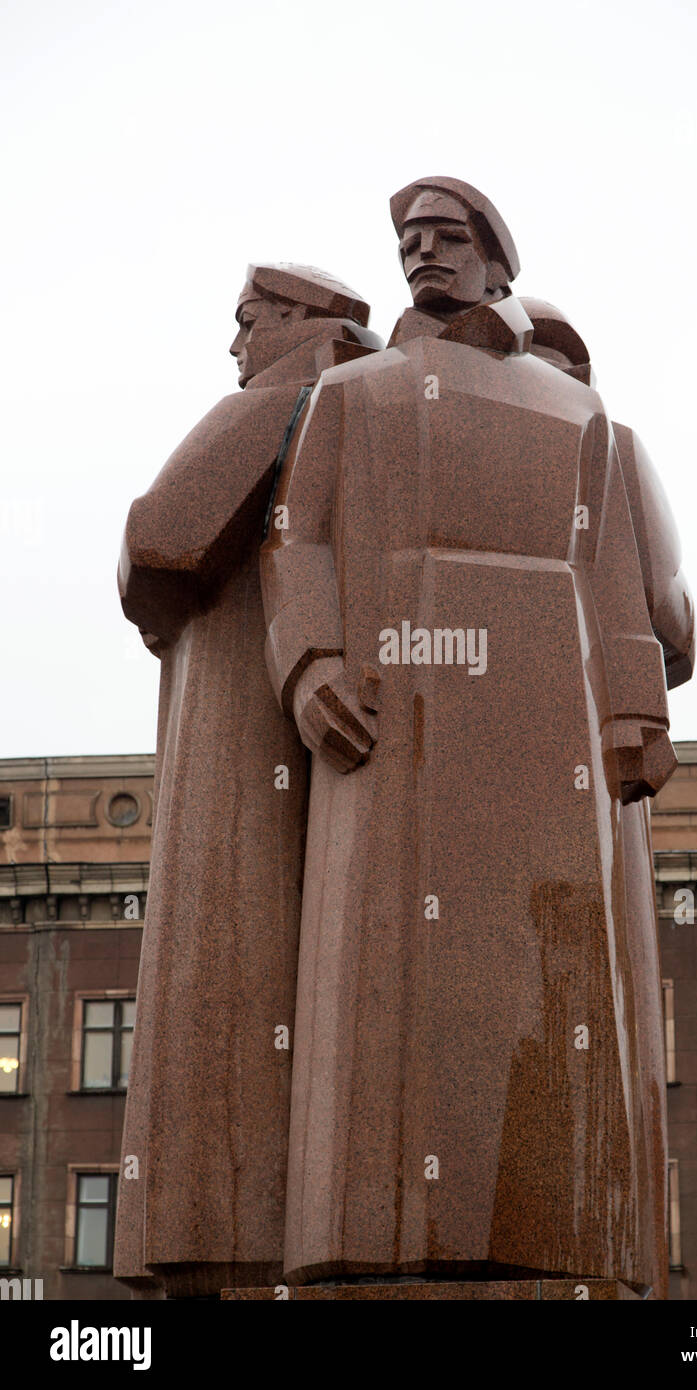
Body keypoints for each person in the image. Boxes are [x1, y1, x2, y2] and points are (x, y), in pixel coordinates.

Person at [259, 179, 695, 1296]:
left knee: (543, 974)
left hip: (546, 704)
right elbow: (296, 542)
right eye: (407, 240)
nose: (422, 255)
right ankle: (377, 1233)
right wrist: (308, 662)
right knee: (380, 975)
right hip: (390, 701)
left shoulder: (576, 415)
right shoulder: (353, 394)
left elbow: (612, 578)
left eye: (446, 238)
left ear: (498, 264)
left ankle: (536, 1228)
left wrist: (634, 707)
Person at [114, 264, 381, 1298]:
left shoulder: (284, 398)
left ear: (306, 324)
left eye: (248, 323)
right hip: (310, 723)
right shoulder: (374, 406)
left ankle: (213, 1228)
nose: (233, 347)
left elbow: (161, 541)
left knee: (220, 949)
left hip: (235, 712)